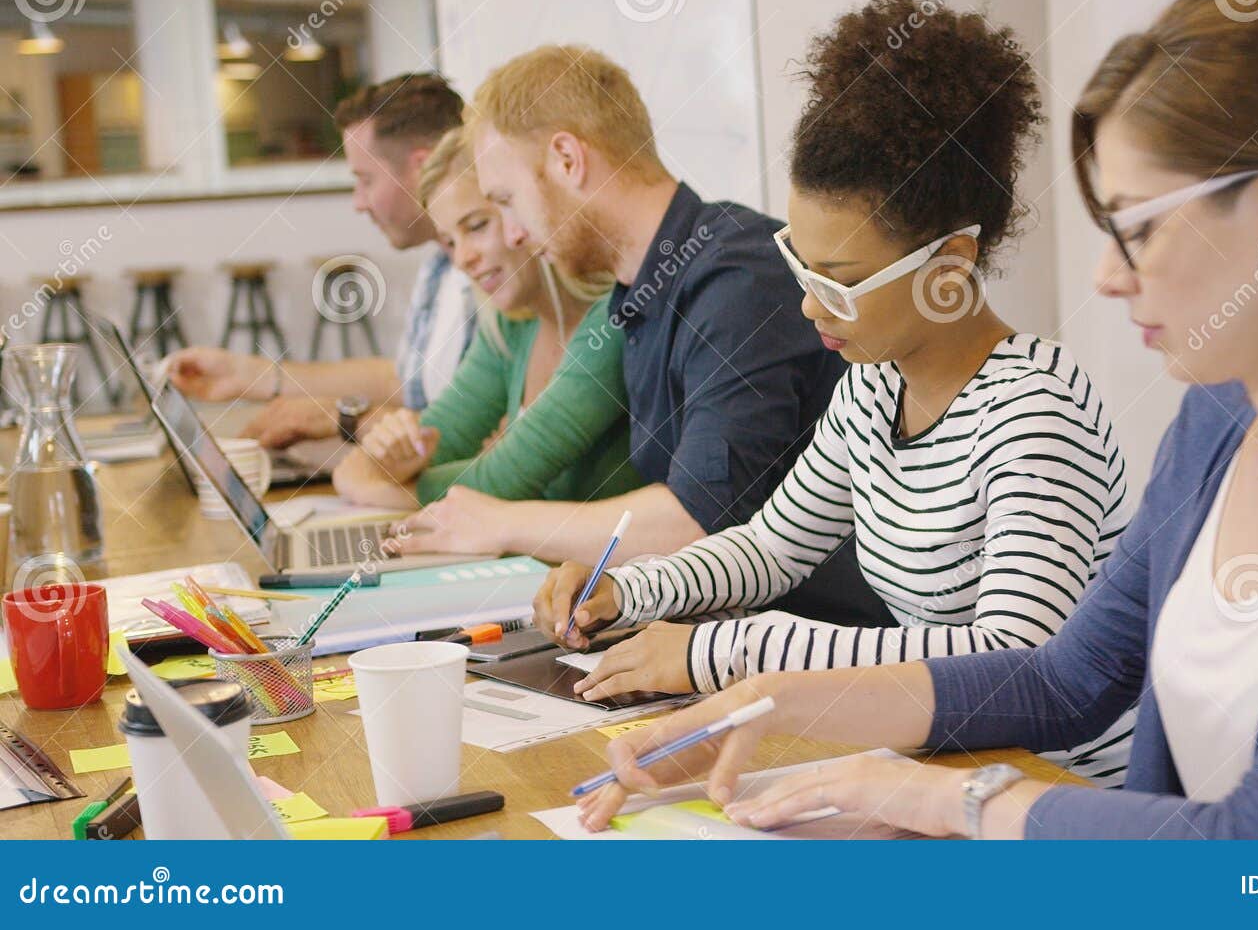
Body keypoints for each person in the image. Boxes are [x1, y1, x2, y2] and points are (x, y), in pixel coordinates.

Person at [575, 0, 1258, 839]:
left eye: (1136, 228)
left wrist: (943, 795)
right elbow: (1067, 677)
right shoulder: (1215, 427)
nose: (1106, 276)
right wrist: (777, 708)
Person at [530, 0, 1135, 784]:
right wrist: (629, 591)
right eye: (801, 268)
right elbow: (774, 546)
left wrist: (721, 650)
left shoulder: (1038, 414)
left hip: (1057, 793)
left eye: (840, 283)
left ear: (949, 262)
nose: (811, 306)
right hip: (947, 771)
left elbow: (1008, 661)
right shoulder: (870, 389)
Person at [389, 45, 888, 626]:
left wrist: (496, 523)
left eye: (507, 201)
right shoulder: (643, 295)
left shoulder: (735, 277)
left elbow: (697, 522)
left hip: (832, 651)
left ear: (568, 159)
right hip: (727, 630)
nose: (516, 234)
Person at [331, 126, 640, 509]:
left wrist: (381, 487)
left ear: (524, 209)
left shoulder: (612, 317)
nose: (463, 258)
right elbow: (439, 437)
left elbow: (503, 478)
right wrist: (382, 456)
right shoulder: (511, 325)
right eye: (450, 242)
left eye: (476, 226)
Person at [165, 74, 477, 449]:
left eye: (365, 180)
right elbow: (404, 383)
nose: (358, 203)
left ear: (422, 168)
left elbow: (482, 440)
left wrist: (344, 417)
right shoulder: (438, 270)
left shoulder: (492, 279)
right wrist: (247, 375)